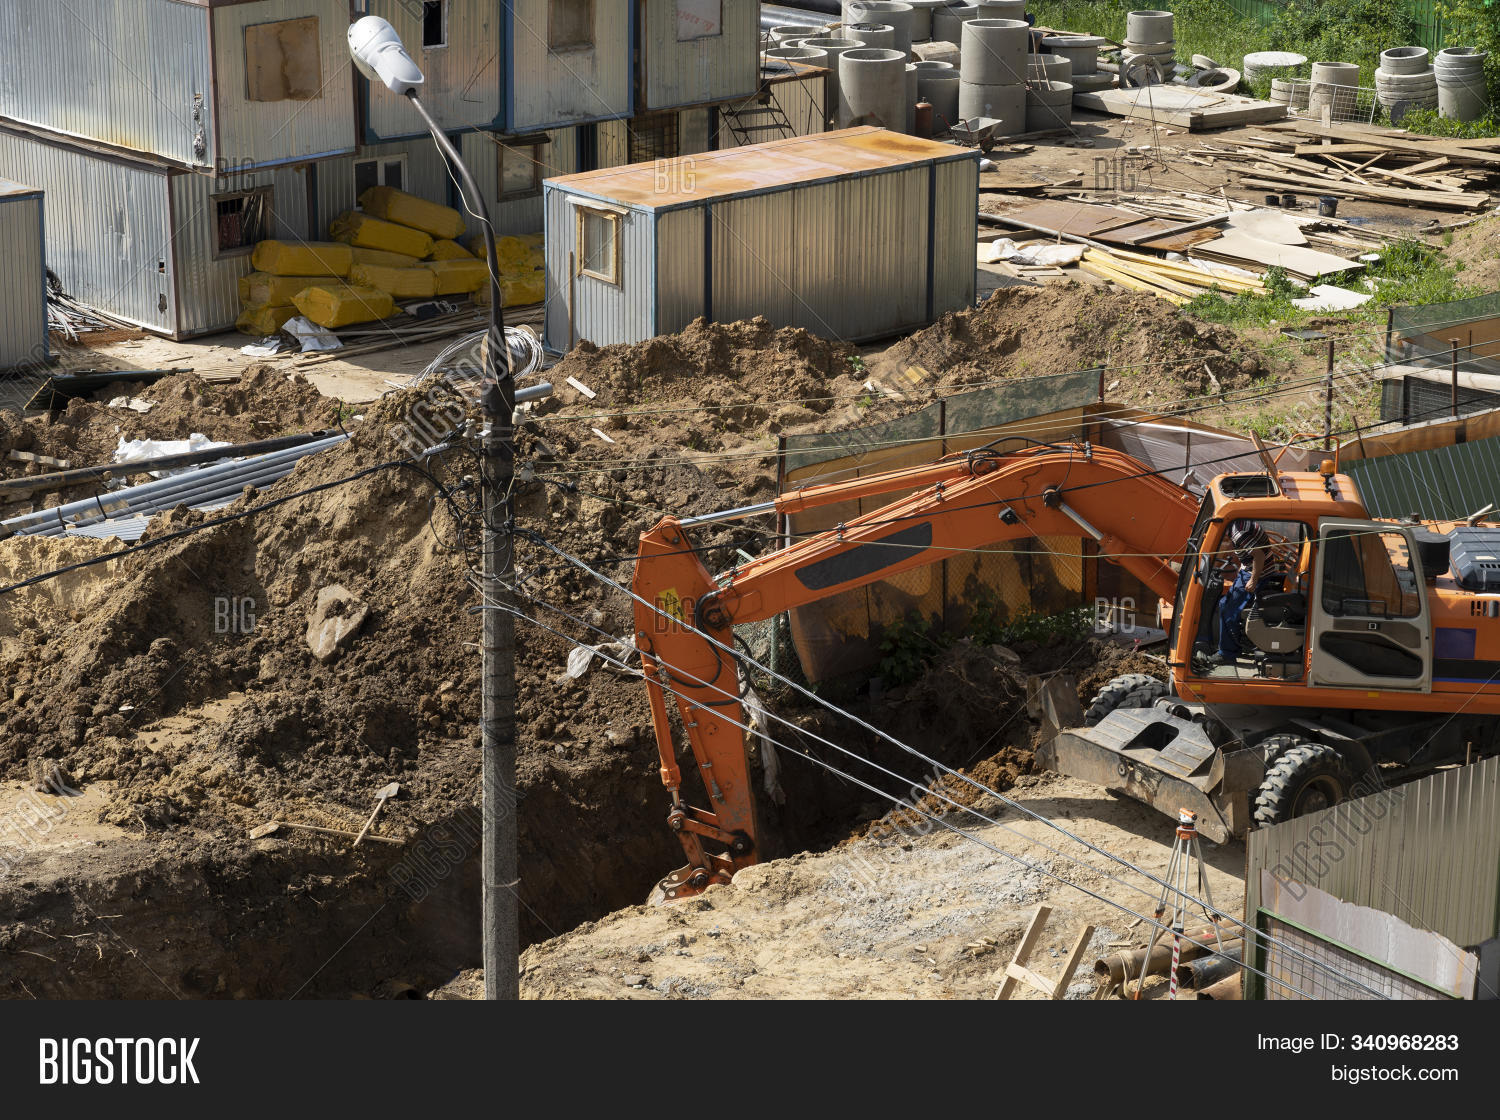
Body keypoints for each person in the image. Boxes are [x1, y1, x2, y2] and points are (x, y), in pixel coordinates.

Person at [1208, 518, 1272, 666]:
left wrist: (1253, 580)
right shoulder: (1238, 524)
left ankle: (1227, 654)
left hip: (1258, 573)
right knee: (1225, 603)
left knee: (1227, 608)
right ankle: (1230, 645)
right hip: (1250, 569)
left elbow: (1259, 555)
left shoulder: (1239, 533)